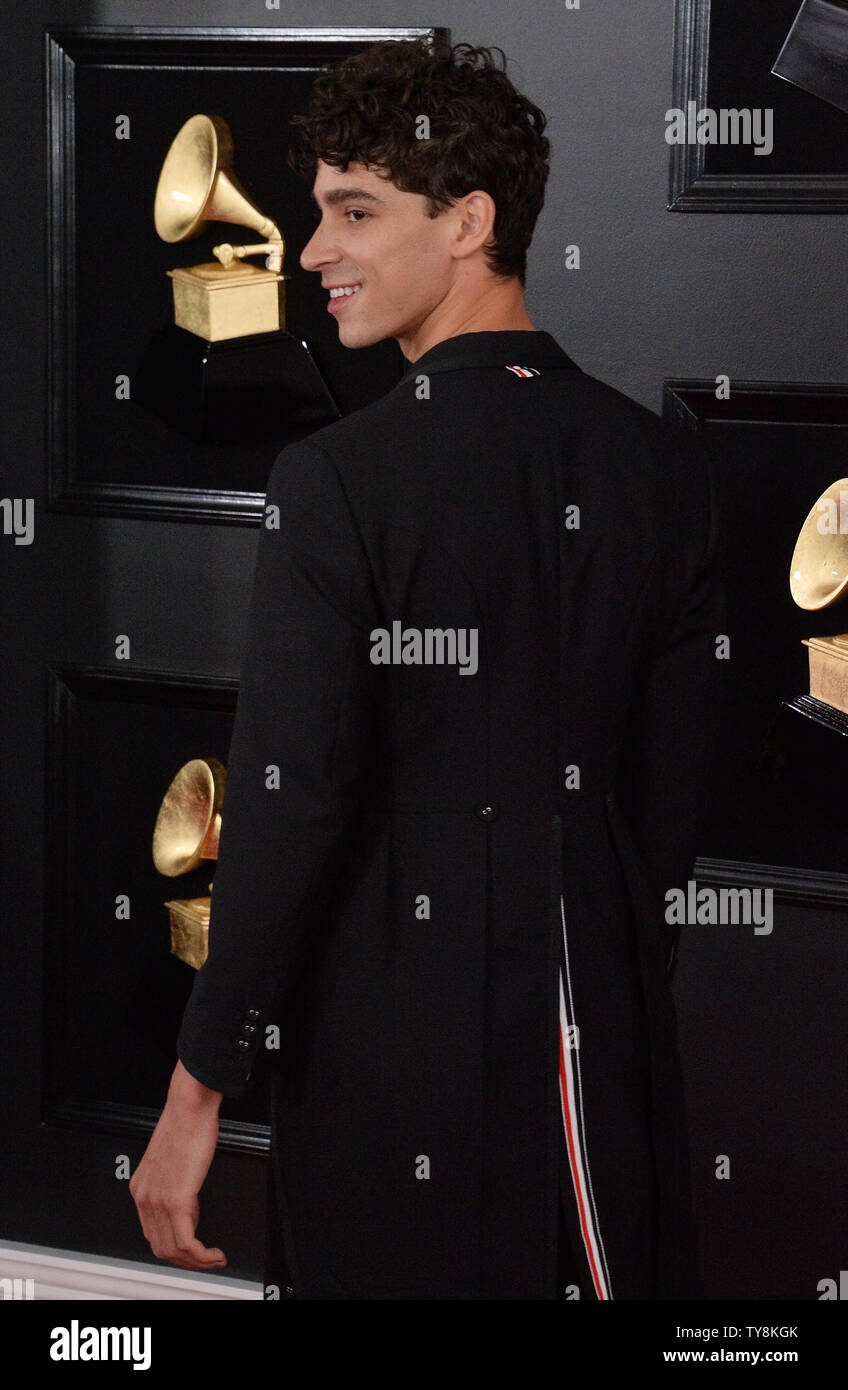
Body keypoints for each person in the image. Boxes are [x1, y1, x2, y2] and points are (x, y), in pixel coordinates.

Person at [130, 36, 721, 1300]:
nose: (310, 251)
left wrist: (195, 1095)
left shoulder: (336, 480)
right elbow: (668, 812)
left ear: (470, 222)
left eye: (354, 211)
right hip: (600, 1049)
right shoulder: (658, 468)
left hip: (387, 1051)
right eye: (314, 213)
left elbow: (288, 809)